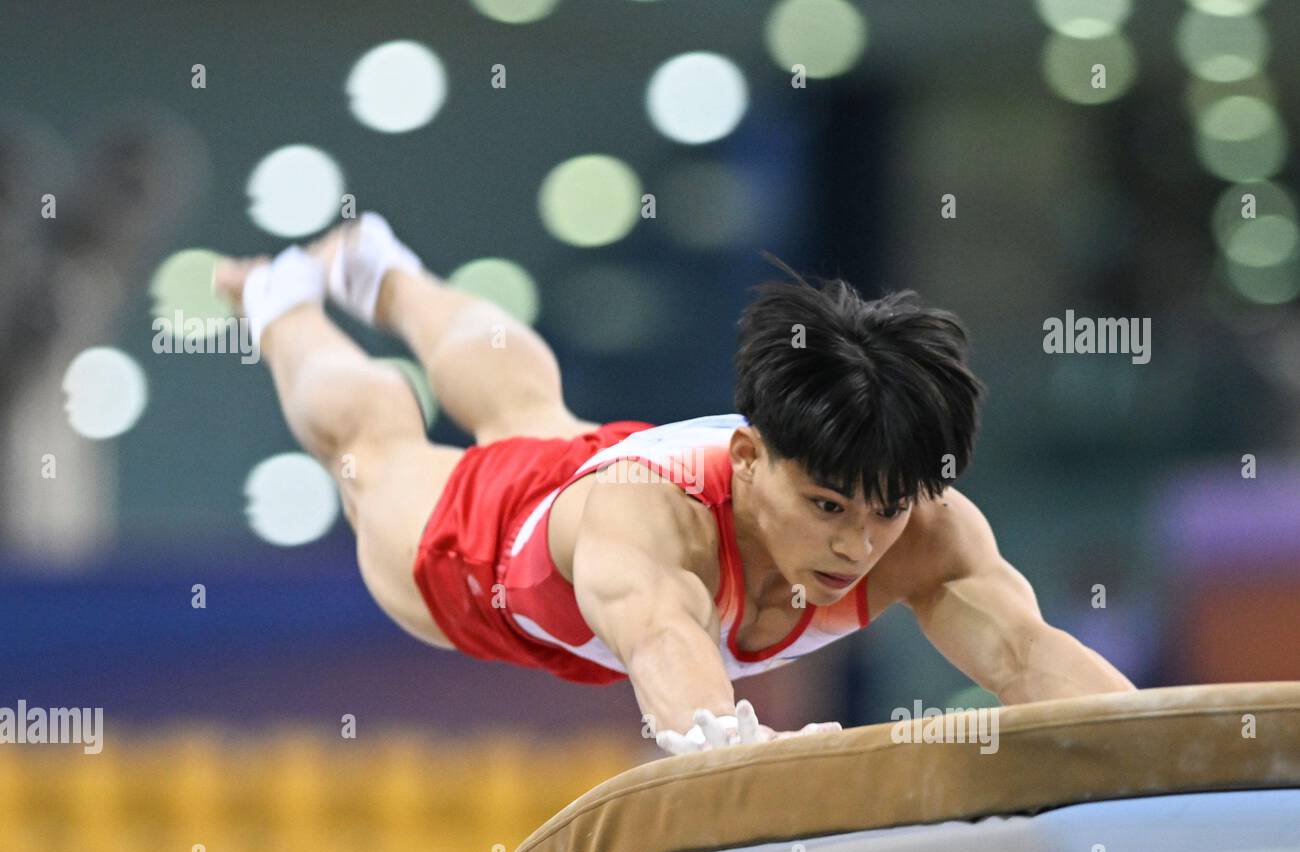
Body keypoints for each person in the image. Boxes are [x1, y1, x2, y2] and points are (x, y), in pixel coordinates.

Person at [213, 213, 1135, 756]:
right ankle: (277, 302)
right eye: (826, 507)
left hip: (588, 475)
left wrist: (1173, 756)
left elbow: (1024, 656)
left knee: (523, 392)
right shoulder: (652, 529)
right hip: (471, 556)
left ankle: (386, 274)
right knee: (371, 425)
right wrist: (740, 763)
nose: (858, 547)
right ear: (746, 456)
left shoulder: (925, 528)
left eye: (884, 511)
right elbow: (667, 649)